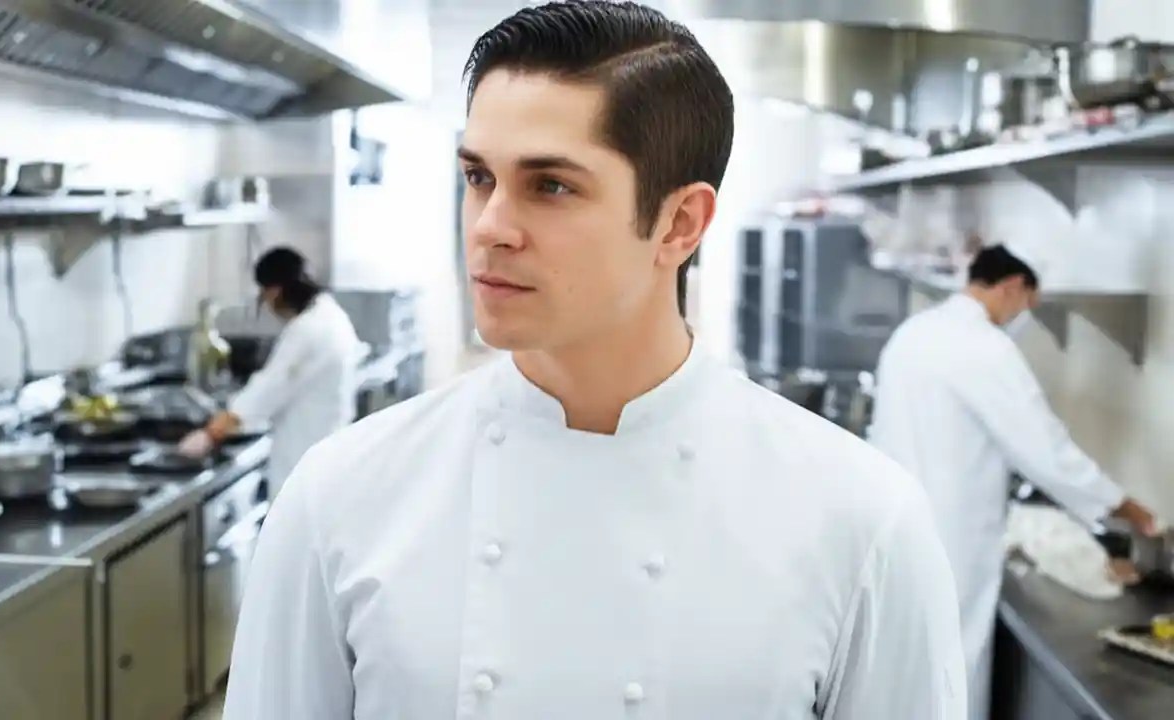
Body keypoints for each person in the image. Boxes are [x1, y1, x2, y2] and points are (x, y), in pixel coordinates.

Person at [223, 3, 966, 718]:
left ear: (680, 224)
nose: (489, 227)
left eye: (550, 186)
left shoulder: (863, 525)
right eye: (479, 177)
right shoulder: (339, 498)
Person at [869, 242, 1160, 720]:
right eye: (1029, 302)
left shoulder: (915, 332)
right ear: (1012, 286)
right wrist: (1130, 510)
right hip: (952, 539)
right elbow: (1047, 451)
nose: (1024, 314)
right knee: (950, 668)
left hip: (897, 528)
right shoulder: (984, 348)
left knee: (902, 668)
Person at [177, 246, 365, 498]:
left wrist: (209, 435)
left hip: (306, 462)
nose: (266, 303)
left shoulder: (308, 331)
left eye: (263, 295)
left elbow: (266, 391)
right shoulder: (330, 314)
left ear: (275, 291)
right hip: (326, 452)